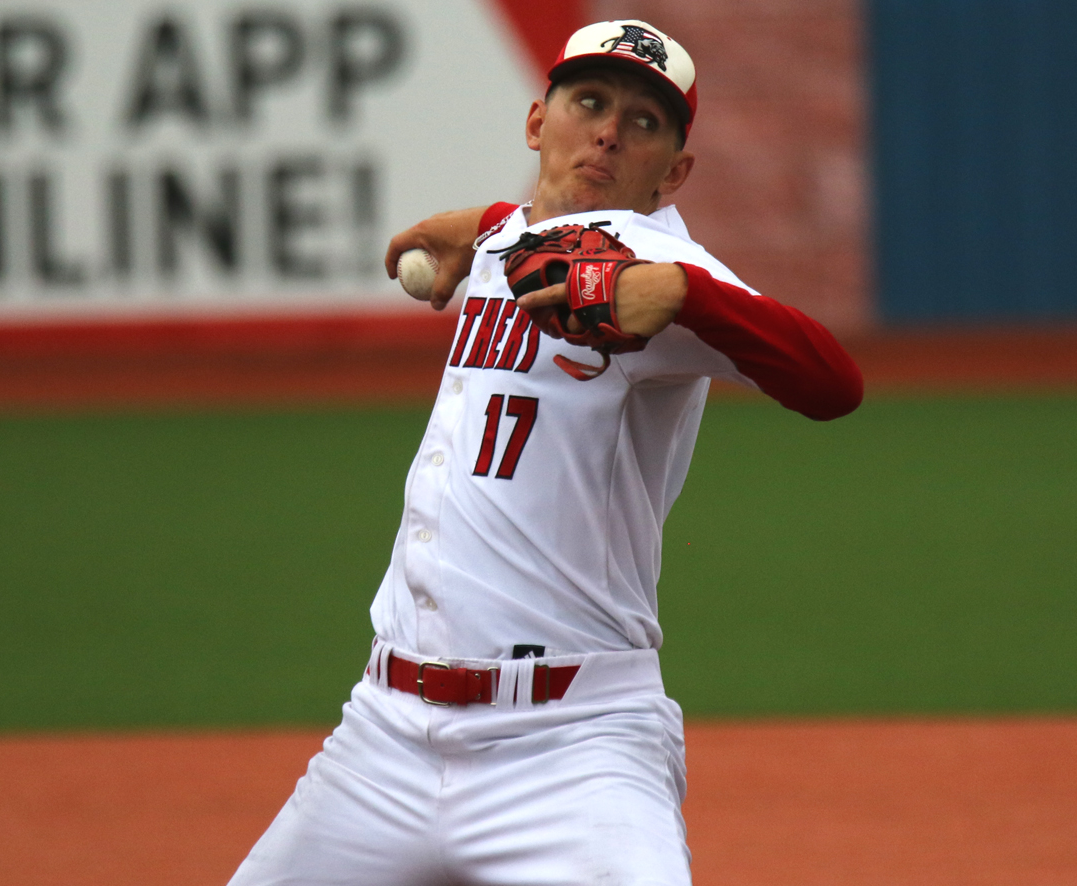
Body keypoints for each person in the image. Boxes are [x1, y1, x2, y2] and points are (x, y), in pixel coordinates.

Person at [226, 20, 862, 886]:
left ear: (673, 172)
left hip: (573, 746)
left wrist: (686, 296)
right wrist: (486, 222)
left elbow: (833, 383)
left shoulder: (661, 264)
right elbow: (527, 231)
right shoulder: (503, 242)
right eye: (589, 103)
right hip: (383, 735)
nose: (607, 131)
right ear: (538, 121)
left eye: (643, 123)